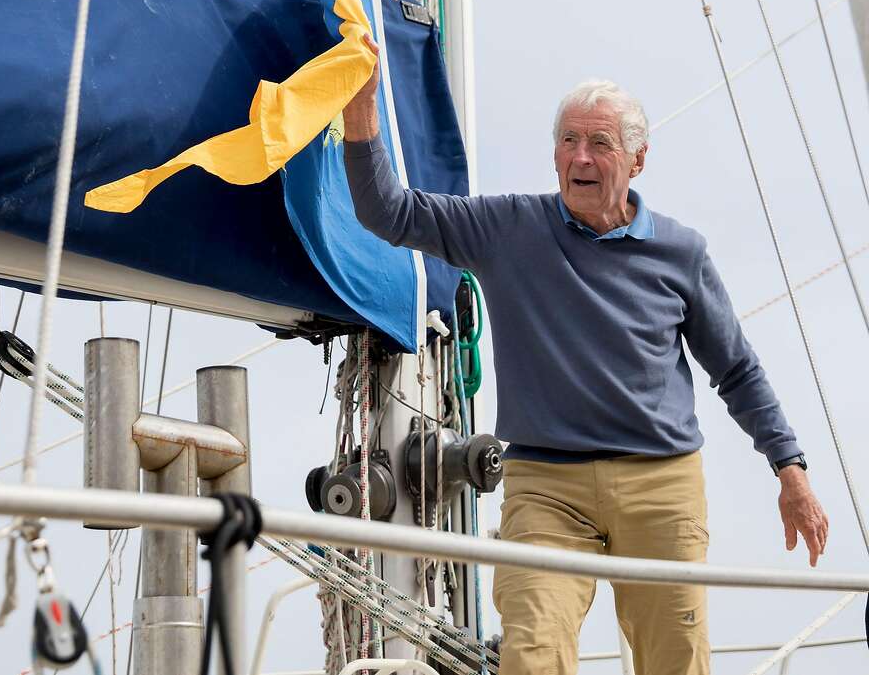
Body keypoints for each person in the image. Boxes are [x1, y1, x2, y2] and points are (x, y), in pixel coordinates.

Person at [340, 40, 829, 675]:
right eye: (568, 141)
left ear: (638, 159)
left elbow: (735, 369)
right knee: (533, 652)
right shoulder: (509, 229)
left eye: (599, 144)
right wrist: (361, 111)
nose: (579, 158)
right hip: (547, 485)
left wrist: (789, 470)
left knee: (675, 662)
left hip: (661, 483)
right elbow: (391, 211)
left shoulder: (682, 253)